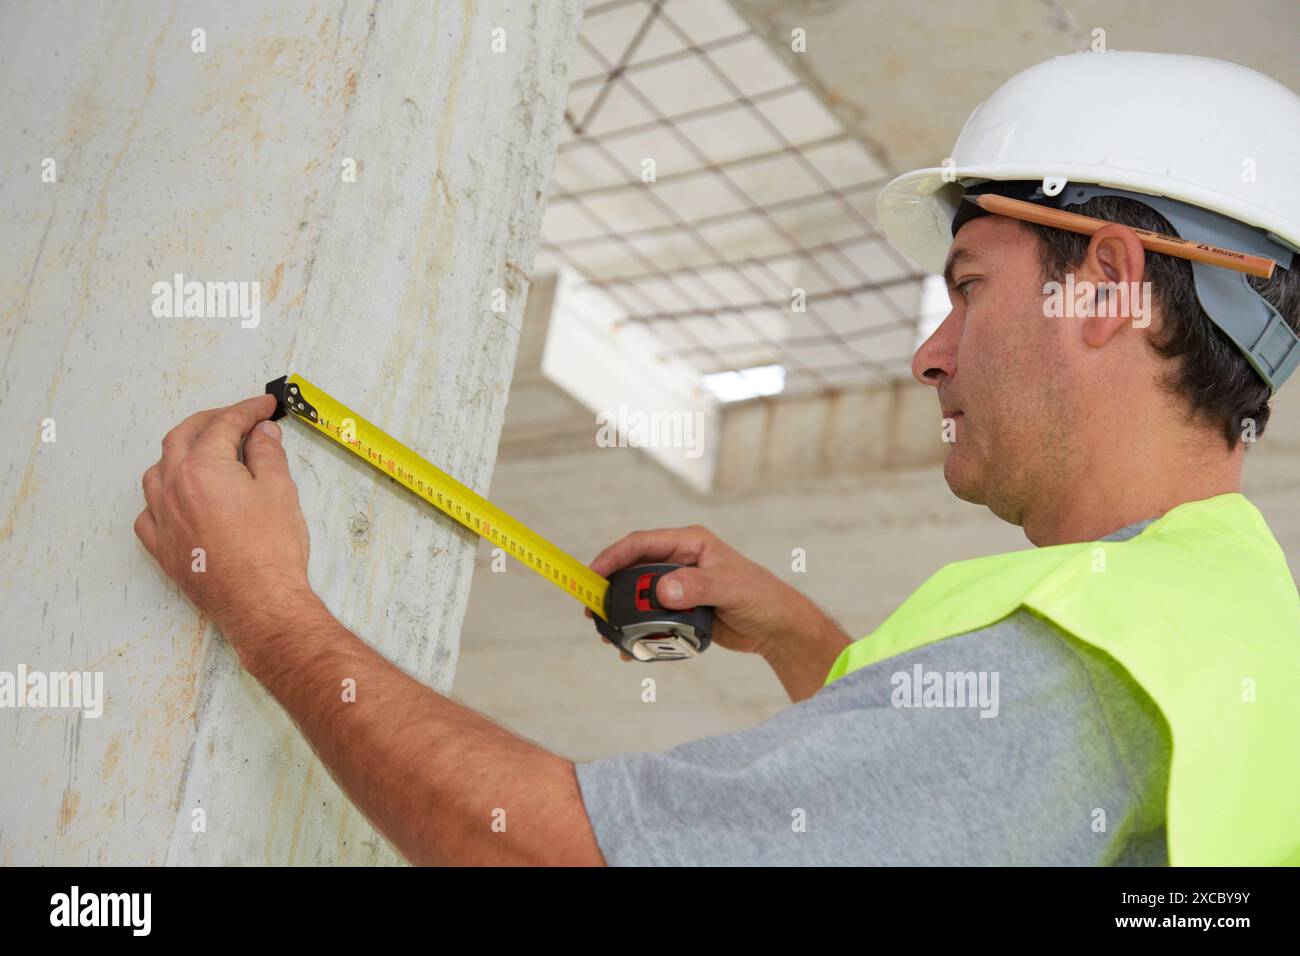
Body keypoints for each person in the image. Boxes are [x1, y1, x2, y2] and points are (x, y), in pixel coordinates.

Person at [135, 50, 1300, 865]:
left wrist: (270, 611)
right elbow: (944, 801)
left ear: (1104, 281)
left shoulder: (1084, 667)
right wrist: (794, 629)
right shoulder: (1212, 622)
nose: (930, 354)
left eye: (966, 289)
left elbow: (566, 856)